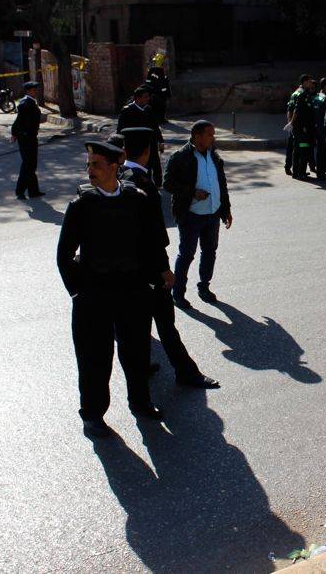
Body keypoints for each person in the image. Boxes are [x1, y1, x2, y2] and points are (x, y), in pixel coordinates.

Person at [56, 139, 163, 433]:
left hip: (132, 290)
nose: (90, 170)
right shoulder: (81, 205)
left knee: (137, 352)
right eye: (89, 164)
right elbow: (64, 255)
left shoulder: (136, 199)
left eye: (97, 165)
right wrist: (79, 292)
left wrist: (156, 275)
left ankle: (141, 402)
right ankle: (92, 415)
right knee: (94, 358)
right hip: (95, 294)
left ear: (114, 167)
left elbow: (151, 241)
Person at [118, 128, 220, 390]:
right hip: (148, 270)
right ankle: (184, 373)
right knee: (164, 323)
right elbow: (152, 234)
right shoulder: (139, 183)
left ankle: (149, 367)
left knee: (144, 325)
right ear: (148, 152)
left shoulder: (122, 175)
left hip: (131, 269)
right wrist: (164, 270)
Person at [162, 120, 232, 310]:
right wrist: (192, 192)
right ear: (197, 136)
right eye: (210, 134)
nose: (213, 137)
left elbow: (222, 185)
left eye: (213, 134)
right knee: (187, 254)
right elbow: (167, 183)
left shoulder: (214, 156)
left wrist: (226, 210)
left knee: (209, 252)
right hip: (190, 215)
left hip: (212, 213)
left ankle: (204, 287)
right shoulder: (180, 157)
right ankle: (178, 293)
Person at [117, 85, 165, 186]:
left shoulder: (149, 109)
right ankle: (143, 183)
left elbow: (155, 127)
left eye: (148, 96)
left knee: (155, 163)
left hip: (150, 143)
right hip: (135, 145)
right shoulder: (127, 111)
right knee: (141, 165)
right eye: (146, 97)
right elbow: (120, 130)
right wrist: (119, 145)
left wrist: (161, 141)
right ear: (138, 98)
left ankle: (158, 184)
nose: (148, 99)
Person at [11, 81, 44, 199]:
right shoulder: (25, 104)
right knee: (28, 165)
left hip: (30, 137)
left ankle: (33, 191)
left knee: (31, 165)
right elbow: (19, 121)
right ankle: (20, 191)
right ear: (28, 91)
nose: (36, 91)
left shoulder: (30, 102)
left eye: (36, 89)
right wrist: (14, 133)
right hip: (26, 138)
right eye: (34, 90)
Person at [285, 74, 317, 179]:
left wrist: (291, 123)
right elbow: (295, 110)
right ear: (304, 82)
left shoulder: (299, 93)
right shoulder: (301, 94)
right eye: (309, 81)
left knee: (297, 149)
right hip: (301, 127)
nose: (311, 83)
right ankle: (300, 173)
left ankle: (296, 171)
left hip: (296, 126)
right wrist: (291, 123)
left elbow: (291, 109)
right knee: (302, 149)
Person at [311, 77, 326, 180]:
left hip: (318, 128)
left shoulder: (317, 97)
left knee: (321, 151)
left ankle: (321, 172)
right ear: (325, 86)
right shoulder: (325, 99)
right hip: (324, 130)